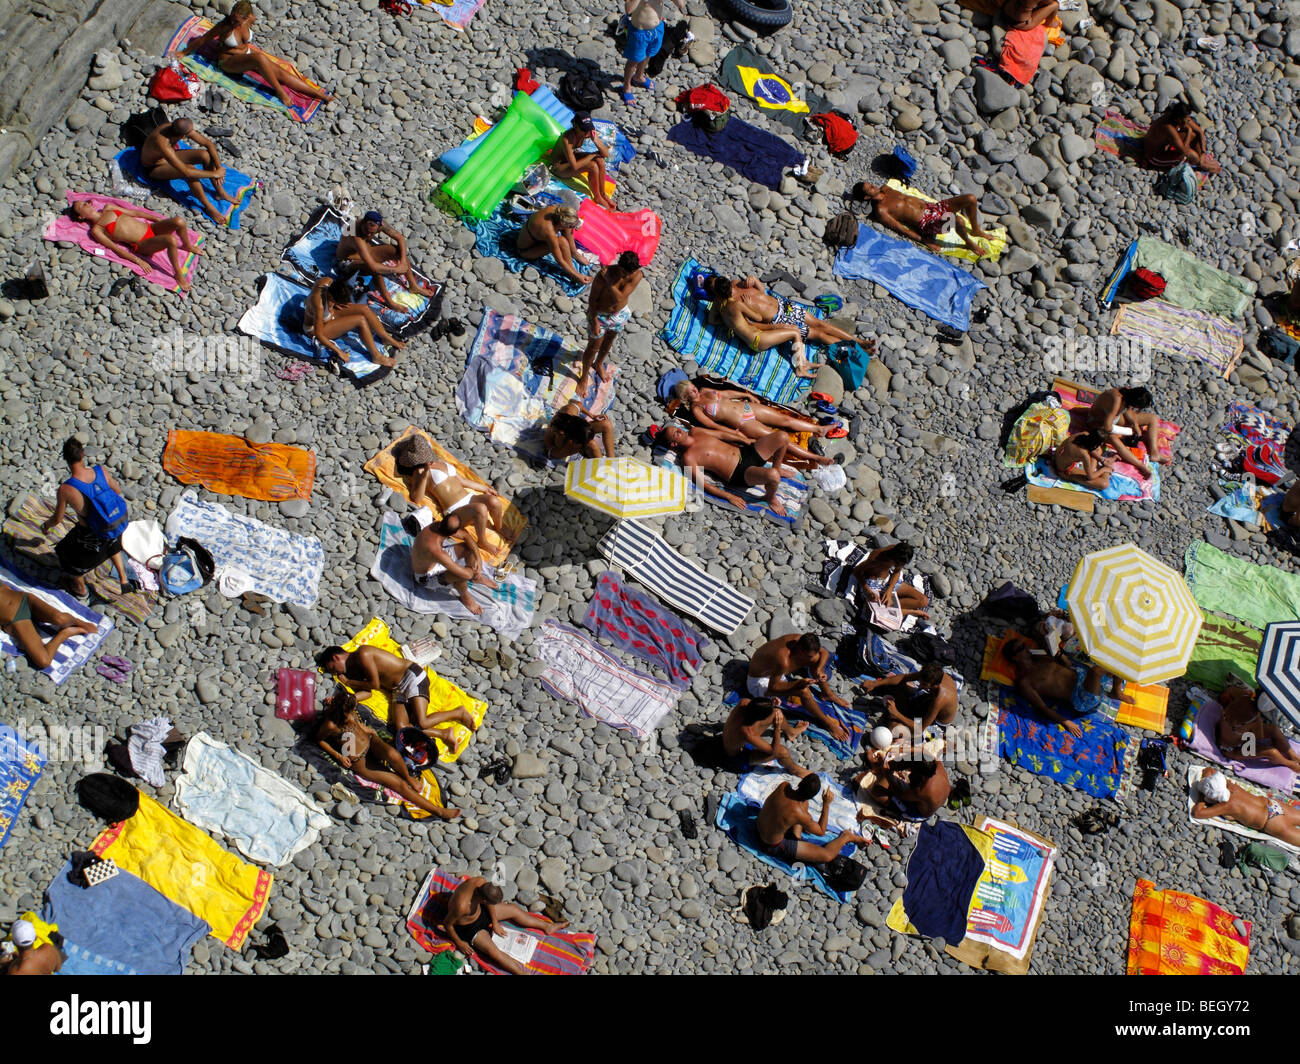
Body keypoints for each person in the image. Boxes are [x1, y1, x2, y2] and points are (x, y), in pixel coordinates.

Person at [314, 689, 460, 821]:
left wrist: (363, 726)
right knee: (399, 785)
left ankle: (409, 777)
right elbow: (319, 739)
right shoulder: (331, 725)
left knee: (393, 755)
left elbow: (368, 693)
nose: (352, 714)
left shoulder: (348, 706)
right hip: (360, 760)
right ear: (340, 713)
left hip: (370, 741)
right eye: (349, 713)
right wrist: (338, 756)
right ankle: (439, 811)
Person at [180, 0, 332, 114]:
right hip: (228, 62)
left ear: (247, 18)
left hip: (246, 57)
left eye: (237, 21)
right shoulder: (225, 26)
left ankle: (321, 95)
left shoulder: (250, 20)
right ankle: (280, 92)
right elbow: (203, 39)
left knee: (283, 74)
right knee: (259, 58)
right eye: (232, 18)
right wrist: (184, 52)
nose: (233, 22)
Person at [704, 275, 874, 374]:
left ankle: (860, 342)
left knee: (822, 325)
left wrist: (754, 281)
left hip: (784, 306)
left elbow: (761, 290)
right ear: (717, 294)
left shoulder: (736, 283)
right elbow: (754, 322)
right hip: (778, 319)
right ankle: (856, 351)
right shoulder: (733, 305)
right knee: (820, 335)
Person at [315, 643, 479, 745]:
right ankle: (443, 733)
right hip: (398, 689)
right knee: (401, 729)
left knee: (421, 722)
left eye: (332, 668)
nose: (335, 673)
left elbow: (374, 684)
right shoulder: (354, 669)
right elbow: (368, 693)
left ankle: (458, 712)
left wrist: (349, 683)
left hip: (411, 676)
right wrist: (340, 700)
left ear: (336, 657)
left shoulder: (363, 654)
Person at [656, 422, 810, 517]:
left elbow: (722, 434)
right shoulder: (688, 458)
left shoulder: (695, 431)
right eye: (675, 433)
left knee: (782, 437)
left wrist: (743, 439)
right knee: (773, 475)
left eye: (677, 428)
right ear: (674, 444)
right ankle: (770, 497)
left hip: (745, 453)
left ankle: (776, 467)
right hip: (740, 473)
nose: (680, 430)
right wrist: (729, 496)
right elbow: (704, 485)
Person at [42, 437, 133, 598]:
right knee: (112, 542)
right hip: (114, 525)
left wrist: (46, 526)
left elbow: (57, 519)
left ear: (65, 459)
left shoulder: (66, 488)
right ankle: (123, 579)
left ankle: (81, 591)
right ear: (83, 454)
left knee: (67, 557)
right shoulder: (101, 470)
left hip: (91, 536)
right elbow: (117, 491)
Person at [393, 435, 505, 548]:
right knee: (480, 508)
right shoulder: (419, 471)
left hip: (469, 498)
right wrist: (425, 475)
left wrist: (485, 488)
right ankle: (483, 542)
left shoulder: (441, 461)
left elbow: (462, 481)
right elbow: (416, 497)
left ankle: (499, 527)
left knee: (493, 501)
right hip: (455, 510)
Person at [441, 876, 568, 974]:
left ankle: (547, 927)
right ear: (484, 900)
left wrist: (494, 921)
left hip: (481, 911)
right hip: (469, 927)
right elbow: (447, 924)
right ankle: (522, 973)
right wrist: (459, 943)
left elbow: (489, 903)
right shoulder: (462, 906)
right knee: (493, 951)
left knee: (513, 909)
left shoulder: (481, 882)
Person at [68, 200, 201, 291]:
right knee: (170, 240)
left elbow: (135, 213)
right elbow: (115, 249)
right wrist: (138, 260)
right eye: (82, 206)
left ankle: (187, 245)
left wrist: (156, 219)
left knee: (179, 221)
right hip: (143, 244)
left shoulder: (108, 208)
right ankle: (178, 274)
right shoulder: (97, 230)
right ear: (81, 217)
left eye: (86, 202)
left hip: (151, 229)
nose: (87, 204)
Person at [1003, 635, 1120, 738]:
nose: (1026, 648)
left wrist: (1058, 652)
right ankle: (1116, 692)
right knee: (1097, 671)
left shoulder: (1042, 659)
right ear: (1015, 657)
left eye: (1024, 645)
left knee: (1117, 660)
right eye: (1021, 648)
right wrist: (1066, 722)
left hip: (1083, 677)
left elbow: (1068, 665)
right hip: (1081, 697)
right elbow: (1042, 707)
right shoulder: (1025, 682)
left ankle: (1117, 692)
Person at [747, 633, 852, 743]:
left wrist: (819, 669)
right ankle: (827, 724)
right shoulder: (783, 659)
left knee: (816, 659)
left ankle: (827, 694)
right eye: (809, 656)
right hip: (760, 682)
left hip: (776, 674)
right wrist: (797, 684)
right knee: (803, 691)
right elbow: (772, 688)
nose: (811, 658)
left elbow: (824, 652)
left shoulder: (800, 640)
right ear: (800, 651)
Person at [850, 182, 993, 258]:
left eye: (870, 184)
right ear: (867, 197)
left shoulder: (886, 188)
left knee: (971, 198)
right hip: (928, 223)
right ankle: (969, 243)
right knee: (958, 221)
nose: (873, 185)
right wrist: (924, 240)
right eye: (869, 188)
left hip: (934, 207)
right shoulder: (881, 210)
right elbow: (901, 229)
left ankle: (976, 230)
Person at [336, 210, 438, 314]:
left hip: (367, 251)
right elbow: (374, 266)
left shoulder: (380, 224)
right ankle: (389, 302)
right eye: (366, 231)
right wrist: (396, 269)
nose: (368, 234)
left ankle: (413, 286)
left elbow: (400, 238)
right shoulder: (355, 235)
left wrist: (402, 261)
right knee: (375, 269)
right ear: (363, 222)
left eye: (372, 233)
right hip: (347, 262)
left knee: (397, 250)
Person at [140, 117, 237, 224]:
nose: (192, 133)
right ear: (183, 136)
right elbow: (186, 172)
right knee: (191, 171)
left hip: (168, 157)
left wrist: (219, 168)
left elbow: (208, 144)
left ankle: (221, 192)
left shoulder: (175, 128)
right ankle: (209, 207)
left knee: (205, 155)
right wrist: (214, 173)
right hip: (154, 168)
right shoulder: (163, 143)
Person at [755, 773, 869, 865]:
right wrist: (826, 804)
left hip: (757, 827)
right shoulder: (801, 814)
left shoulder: (784, 786)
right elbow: (821, 831)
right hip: (770, 846)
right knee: (827, 855)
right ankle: (846, 837)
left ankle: (796, 836)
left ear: (800, 783)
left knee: (799, 814)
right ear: (812, 796)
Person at [672, 380, 843, 441]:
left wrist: (745, 394)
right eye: (690, 390)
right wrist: (735, 435)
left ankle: (819, 429)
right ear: (685, 396)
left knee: (785, 420)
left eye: (693, 386)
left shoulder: (704, 390)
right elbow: (713, 426)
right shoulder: (696, 410)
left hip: (747, 407)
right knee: (775, 436)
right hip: (743, 422)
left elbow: (726, 393)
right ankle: (814, 455)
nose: (694, 390)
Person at [303, 276, 404, 370]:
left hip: (329, 315)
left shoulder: (328, 281)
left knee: (364, 309)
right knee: (360, 320)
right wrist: (339, 351)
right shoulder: (319, 305)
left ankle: (385, 338)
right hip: (315, 330)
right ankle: (376, 356)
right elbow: (319, 335)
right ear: (331, 298)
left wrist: (334, 306)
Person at [408, 513, 499, 617]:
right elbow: (466, 575)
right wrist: (473, 571)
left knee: (469, 549)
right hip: (426, 577)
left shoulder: (437, 526)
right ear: (453, 532)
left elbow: (466, 536)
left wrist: (478, 558)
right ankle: (465, 597)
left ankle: (477, 578)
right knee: (461, 576)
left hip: (436, 559)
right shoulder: (436, 551)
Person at [578, 251, 642, 395]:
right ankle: (583, 377)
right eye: (624, 272)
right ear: (618, 266)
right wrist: (594, 321)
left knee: (609, 341)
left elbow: (621, 298)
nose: (626, 276)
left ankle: (599, 363)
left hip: (619, 314)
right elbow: (592, 301)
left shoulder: (636, 274)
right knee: (593, 347)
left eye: (629, 273)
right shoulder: (602, 277)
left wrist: (609, 283)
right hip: (600, 314)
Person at [1193, 767, 1300, 847]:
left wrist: (1202, 794)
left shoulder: (1226, 805)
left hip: (1271, 821)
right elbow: (1208, 770)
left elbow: (1197, 813)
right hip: (1272, 804)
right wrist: (1206, 782)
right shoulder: (1230, 785)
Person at [0, 588, 98, 671]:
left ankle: (75, 621)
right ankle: (65, 633)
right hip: (16, 620)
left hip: (23, 600)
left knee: (60, 618)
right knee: (44, 661)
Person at [1085, 386, 1169, 478]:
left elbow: (1127, 410)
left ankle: (1154, 453)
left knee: (1152, 418)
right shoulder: (1116, 400)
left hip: (1112, 418)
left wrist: (1135, 424)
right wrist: (1126, 432)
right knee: (1114, 439)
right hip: (1097, 423)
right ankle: (1141, 466)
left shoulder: (1126, 392)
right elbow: (1107, 427)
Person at [1215, 683, 1300, 772]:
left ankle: (1293, 756)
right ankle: (1290, 764)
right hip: (1229, 749)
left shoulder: (1243, 694)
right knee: (1271, 752)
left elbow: (1230, 689)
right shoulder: (1254, 717)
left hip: (1224, 731)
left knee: (1274, 729)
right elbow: (1259, 736)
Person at [620, 0, 687, 105]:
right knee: (634, 60)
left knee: (649, 53)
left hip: (657, 29)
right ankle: (626, 86)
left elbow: (681, 5)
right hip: (640, 32)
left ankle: (639, 76)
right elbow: (628, 9)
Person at [840, 542, 929, 619]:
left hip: (887, 581)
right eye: (898, 563)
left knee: (923, 601)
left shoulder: (901, 556)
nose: (899, 566)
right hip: (872, 583)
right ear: (893, 557)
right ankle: (909, 611)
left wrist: (889, 590)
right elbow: (857, 571)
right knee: (875, 612)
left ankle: (892, 606)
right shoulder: (876, 557)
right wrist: (866, 589)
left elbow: (896, 572)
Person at [721, 696, 809, 774]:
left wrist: (769, 703)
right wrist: (777, 728)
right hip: (735, 757)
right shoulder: (748, 732)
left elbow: (757, 706)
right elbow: (773, 751)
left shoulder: (744, 702)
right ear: (760, 718)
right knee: (782, 752)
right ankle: (794, 769)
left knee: (777, 712)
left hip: (731, 740)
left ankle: (791, 732)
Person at [860, 662, 958, 730]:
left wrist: (896, 714)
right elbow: (904, 677)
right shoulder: (933, 674)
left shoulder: (940, 699)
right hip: (926, 699)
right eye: (920, 682)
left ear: (935, 685)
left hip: (935, 721)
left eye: (923, 685)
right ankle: (902, 709)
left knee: (894, 727)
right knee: (893, 684)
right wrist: (874, 684)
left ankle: (899, 714)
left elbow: (921, 728)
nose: (919, 686)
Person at [514, 204, 595, 286]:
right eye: (570, 226)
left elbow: (568, 224)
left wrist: (573, 252)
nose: (573, 229)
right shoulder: (549, 232)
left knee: (567, 229)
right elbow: (560, 260)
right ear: (560, 225)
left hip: (537, 239)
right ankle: (573, 274)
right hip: (526, 251)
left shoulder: (558, 212)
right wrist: (577, 275)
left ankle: (574, 254)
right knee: (562, 241)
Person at [548, 114, 616, 210]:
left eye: (588, 129)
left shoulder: (587, 132)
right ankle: (597, 197)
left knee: (600, 160)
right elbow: (575, 166)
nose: (587, 132)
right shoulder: (567, 139)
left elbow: (606, 154)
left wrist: (595, 140)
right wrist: (591, 155)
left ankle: (603, 194)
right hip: (558, 167)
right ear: (575, 126)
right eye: (584, 129)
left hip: (569, 159)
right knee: (592, 166)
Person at [857, 749, 950, 819]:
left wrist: (888, 775)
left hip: (916, 811)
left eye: (912, 771)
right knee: (908, 760)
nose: (909, 772)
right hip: (921, 791)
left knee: (877, 792)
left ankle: (882, 768)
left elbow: (900, 795)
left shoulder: (923, 791)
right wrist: (901, 750)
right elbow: (920, 751)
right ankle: (883, 765)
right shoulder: (936, 765)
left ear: (921, 775)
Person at [1143, 101, 1221, 174]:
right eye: (1184, 121)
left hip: (1166, 144)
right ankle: (1202, 164)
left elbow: (1199, 132)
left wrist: (1203, 152)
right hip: (1154, 156)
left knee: (1195, 136)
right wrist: (1189, 132)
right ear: (1178, 119)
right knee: (1191, 155)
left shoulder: (1180, 118)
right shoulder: (1168, 128)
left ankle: (1201, 159)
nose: (1187, 122)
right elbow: (1184, 152)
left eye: (1188, 120)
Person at [544, 401, 616, 460]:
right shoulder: (558, 432)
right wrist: (567, 450)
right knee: (592, 444)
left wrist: (592, 416)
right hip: (559, 448)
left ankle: (612, 460)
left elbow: (578, 405)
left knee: (606, 424)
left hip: (571, 432)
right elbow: (550, 451)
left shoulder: (571, 410)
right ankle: (603, 467)